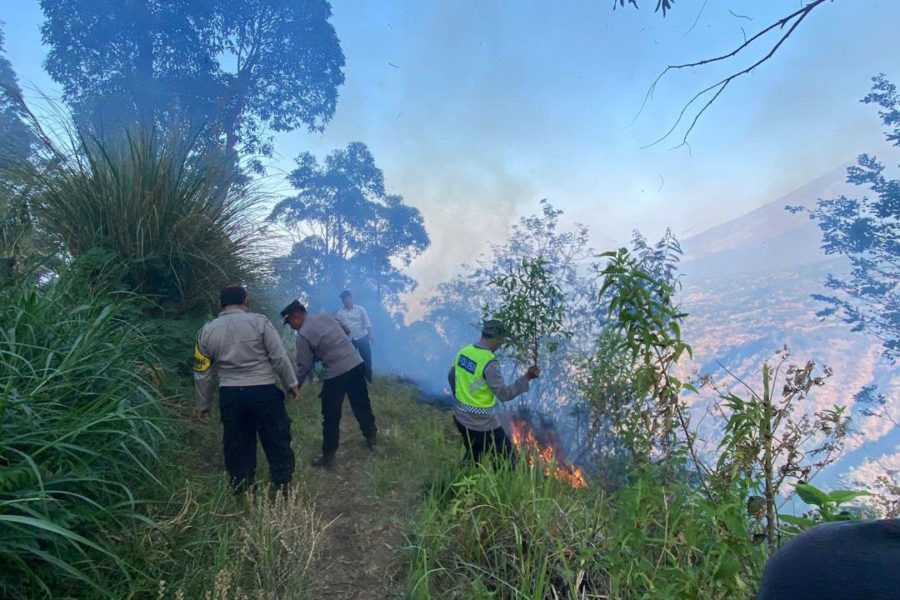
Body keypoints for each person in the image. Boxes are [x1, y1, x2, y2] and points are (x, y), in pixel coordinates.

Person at [193, 286, 299, 494]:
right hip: (264, 392)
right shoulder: (260, 322)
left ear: (221, 304)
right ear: (245, 301)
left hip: (231, 395)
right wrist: (291, 384)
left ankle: (242, 490)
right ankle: (282, 486)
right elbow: (279, 357)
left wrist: (203, 404)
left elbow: (202, 372)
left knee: (237, 443)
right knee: (276, 438)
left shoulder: (206, 330)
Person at [281, 299, 377, 469]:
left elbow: (304, 366)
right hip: (355, 363)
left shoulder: (302, 335)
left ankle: (328, 456)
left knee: (331, 416)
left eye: (290, 322)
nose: (290, 326)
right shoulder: (326, 317)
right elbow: (347, 331)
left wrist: (294, 386)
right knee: (362, 404)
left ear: (297, 316)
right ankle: (372, 439)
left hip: (336, 373)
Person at [447, 319, 540, 463]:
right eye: (502, 340)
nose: (501, 344)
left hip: (460, 418)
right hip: (482, 425)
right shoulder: (490, 362)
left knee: (474, 456)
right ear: (498, 338)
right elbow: (504, 394)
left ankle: (456, 482)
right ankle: (501, 483)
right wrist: (527, 377)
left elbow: (452, 376)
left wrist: (462, 398)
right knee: (508, 462)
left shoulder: (464, 351)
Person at [334, 290, 374, 382]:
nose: (345, 301)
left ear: (351, 298)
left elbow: (367, 323)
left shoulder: (360, 309)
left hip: (362, 337)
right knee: (349, 360)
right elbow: (337, 328)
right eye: (343, 299)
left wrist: (371, 335)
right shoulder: (340, 313)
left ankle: (369, 379)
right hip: (349, 340)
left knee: (367, 359)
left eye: (346, 298)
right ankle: (352, 379)